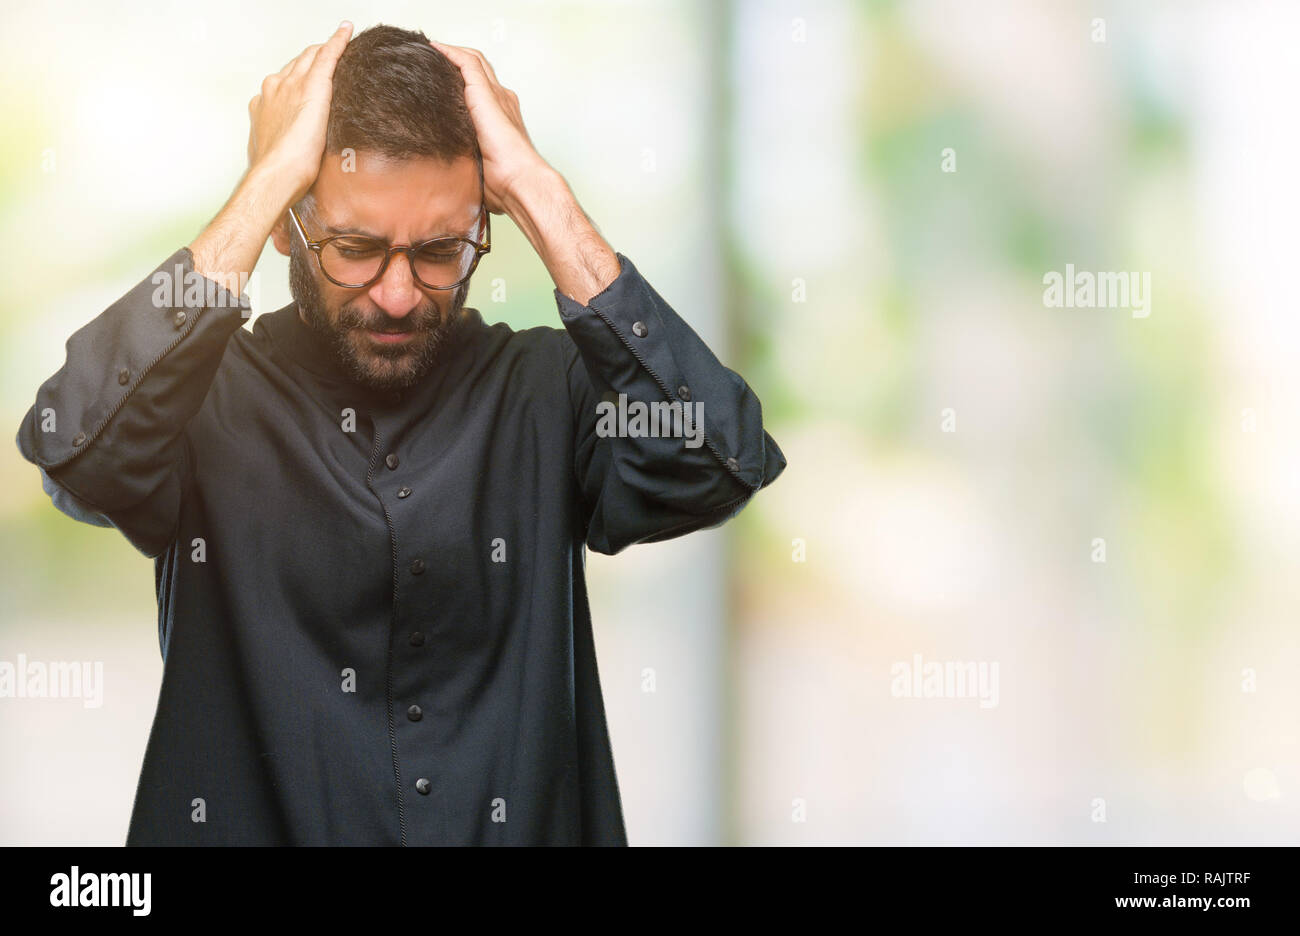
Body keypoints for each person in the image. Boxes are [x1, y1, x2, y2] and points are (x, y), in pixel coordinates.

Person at [14, 21, 786, 845]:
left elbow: (715, 456)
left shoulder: (549, 390)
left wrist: (533, 185)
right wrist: (267, 178)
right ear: (287, 226)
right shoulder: (200, 397)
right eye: (354, 247)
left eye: (440, 250)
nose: (396, 294)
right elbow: (78, 450)